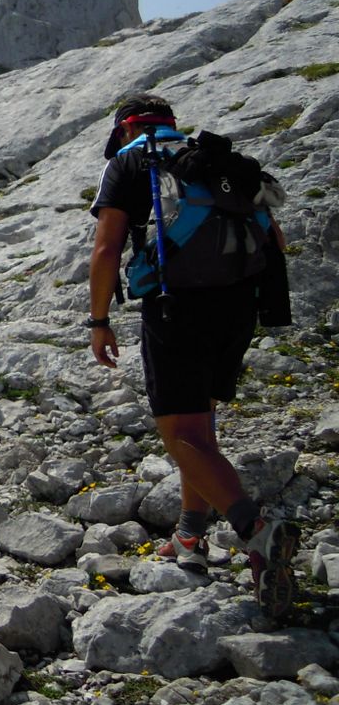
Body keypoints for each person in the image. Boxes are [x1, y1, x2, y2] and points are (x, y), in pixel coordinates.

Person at [88, 93, 298, 615]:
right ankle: (191, 537)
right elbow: (276, 238)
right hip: (239, 309)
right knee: (199, 428)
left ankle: (255, 529)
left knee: (178, 435)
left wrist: (98, 320)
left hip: (176, 308)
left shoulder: (131, 161)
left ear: (124, 129)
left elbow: (107, 248)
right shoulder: (210, 160)